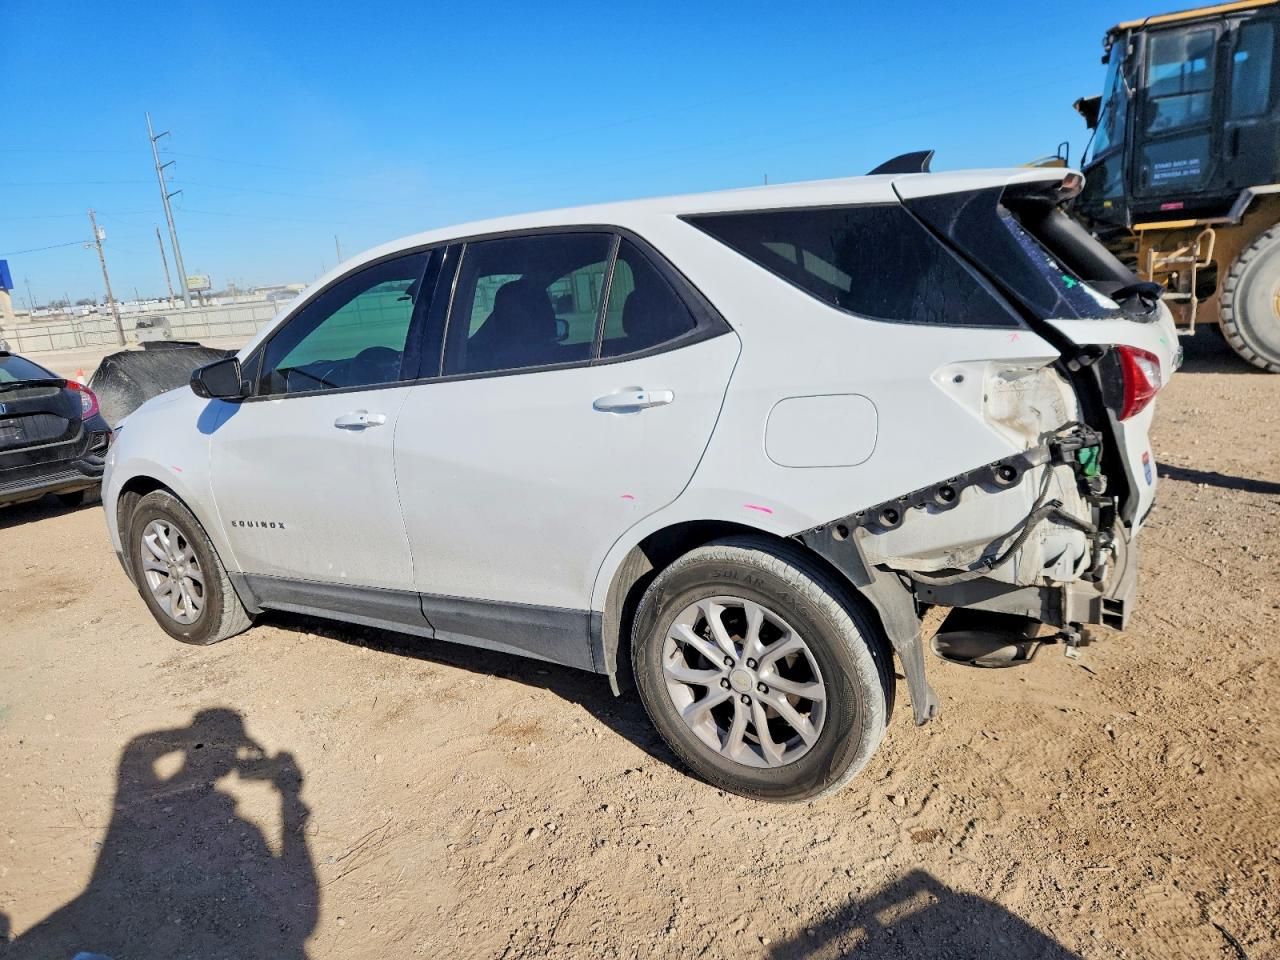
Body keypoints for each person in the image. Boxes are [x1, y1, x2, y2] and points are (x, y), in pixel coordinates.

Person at [5, 709, 318, 960]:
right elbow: (300, 909)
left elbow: (137, 749)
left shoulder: (143, 798)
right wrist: (290, 799)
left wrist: (196, 737)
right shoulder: (242, 830)